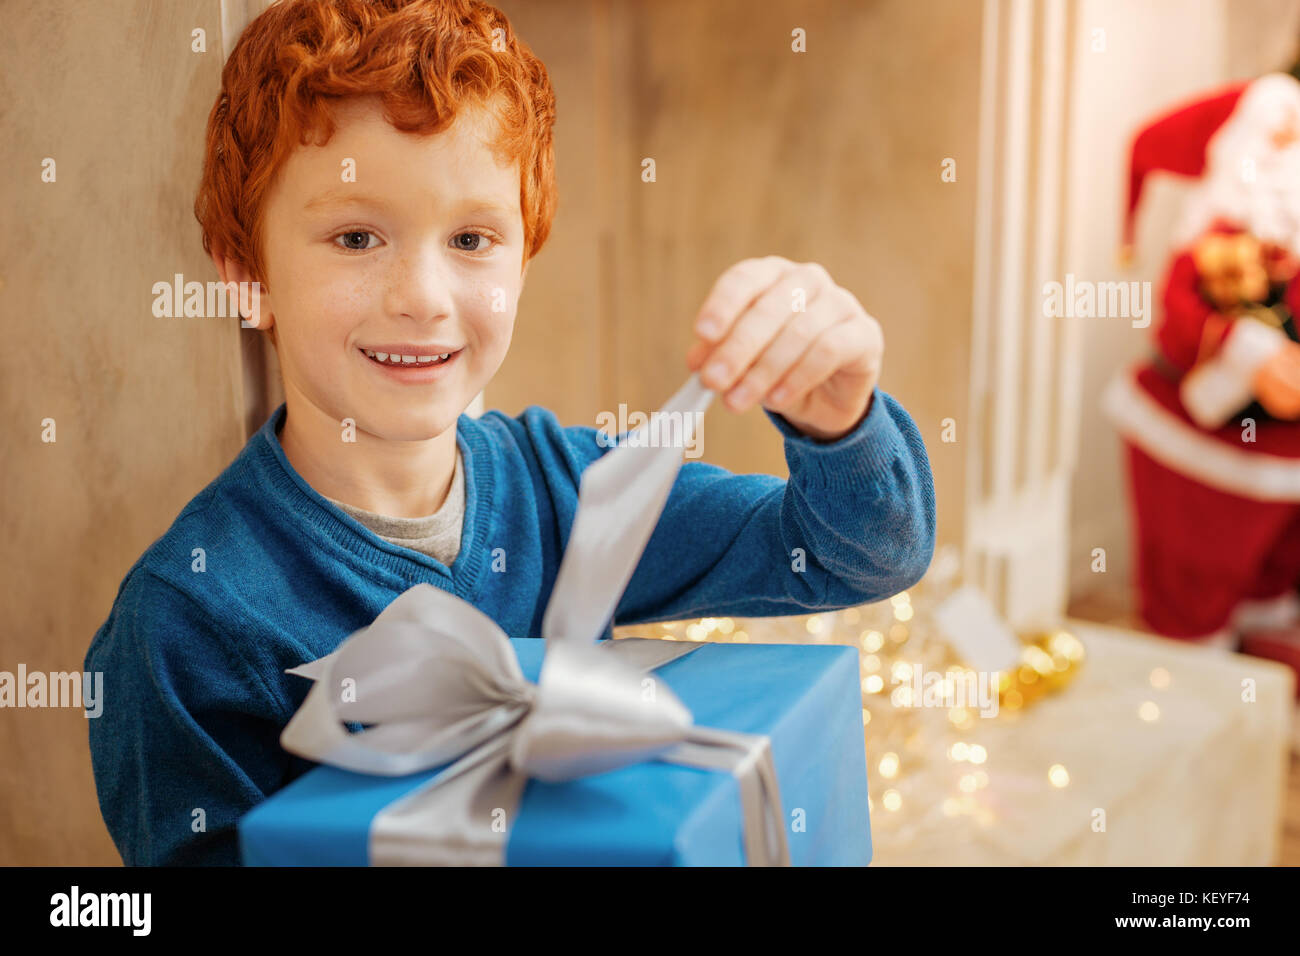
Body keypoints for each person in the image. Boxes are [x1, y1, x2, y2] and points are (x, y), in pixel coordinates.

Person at [84, 0, 936, 865]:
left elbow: (858, 552)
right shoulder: (184, 622)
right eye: (355, 235)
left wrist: (839, 416)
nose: (422, 296)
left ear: (522, 260)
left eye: (471, 238)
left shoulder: (573, 492)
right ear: (248, 277)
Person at [1104, 74, 1300, 684]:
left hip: (1282, 465)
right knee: (1191, 603)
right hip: (1197, 452)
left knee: (1270, 593)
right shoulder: (1216, 240)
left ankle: (1262, 718)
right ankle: (1190, 718)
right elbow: (1184, 324)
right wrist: (1249, 353)